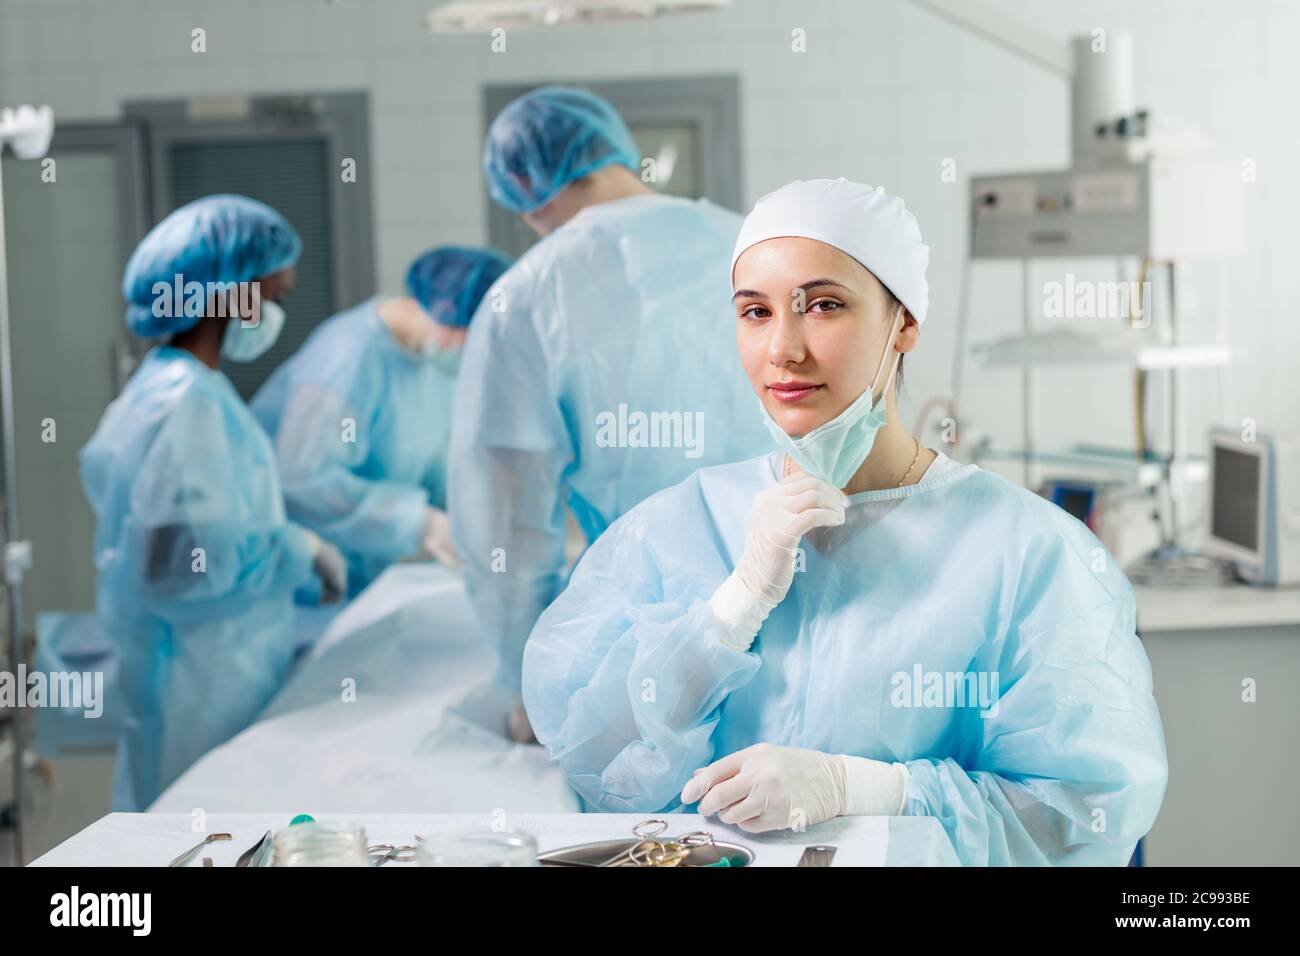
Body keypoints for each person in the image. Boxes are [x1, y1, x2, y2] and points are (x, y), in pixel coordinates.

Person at [522, 178, 1168, 865]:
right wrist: (730, 611)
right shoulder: (680, 526)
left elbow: (1083, 810)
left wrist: (866, 790)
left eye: (824, 306)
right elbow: (599, 761)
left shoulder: (1028, 553)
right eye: (755, 312)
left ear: (905, 324)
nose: (784, 349)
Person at [450, 86, 771, 739]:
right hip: (802, 619)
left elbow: (507, 530)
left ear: (526, 195)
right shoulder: (756, 248)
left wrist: (522, 682)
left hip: (641, 655)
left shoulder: (531, 295)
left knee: (654, 833)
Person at [80, 194, 347, 811]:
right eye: (272, 299)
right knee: (195, 836)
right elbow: (179, 573)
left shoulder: (170, 390)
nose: (275, 314)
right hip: (200, 683)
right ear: (228, 295)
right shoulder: (186, 405)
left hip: (191, 673)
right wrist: (293, 550)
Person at [253, 246, 511, 594]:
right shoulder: (347, 358)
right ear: (448, 313)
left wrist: (471, 519)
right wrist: (422, 524)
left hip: (371, 574)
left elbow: (436, 464)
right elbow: (305, 483)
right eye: (477, 334)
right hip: (306, 580)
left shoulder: (432, 361)